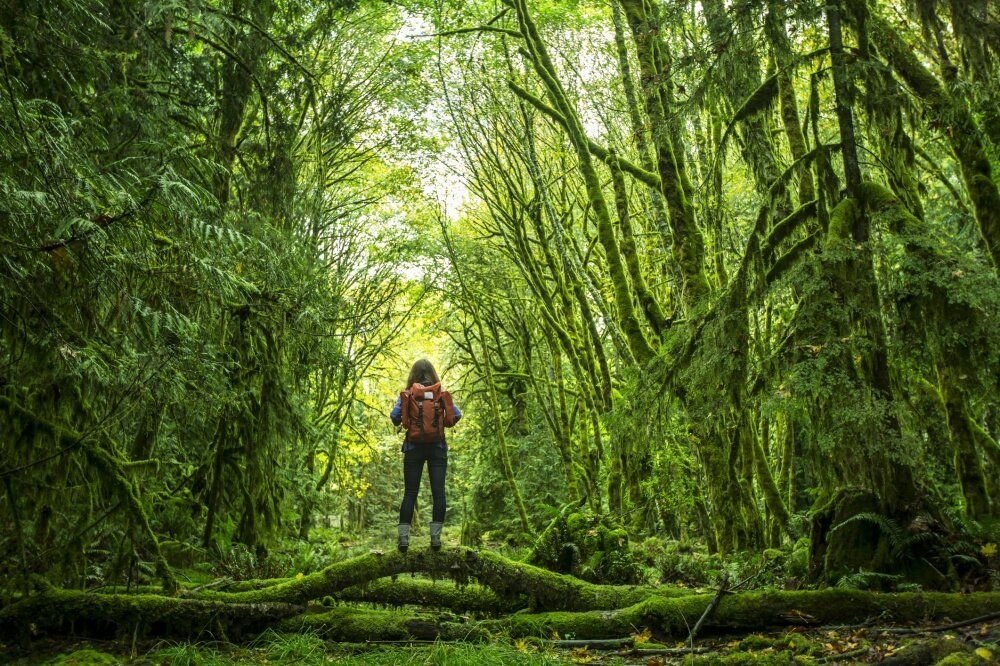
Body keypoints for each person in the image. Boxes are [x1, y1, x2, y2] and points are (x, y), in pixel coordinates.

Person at [390, 359, 461, 552]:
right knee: (438, 493)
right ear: (433, 373)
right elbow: (457, 414)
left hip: (413, 447)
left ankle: (404, 540)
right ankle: (436, 540)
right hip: (437, 447)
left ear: (413, 375)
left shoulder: (408, 394)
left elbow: (395, 417)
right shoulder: (439, 392)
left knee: (410, 493)